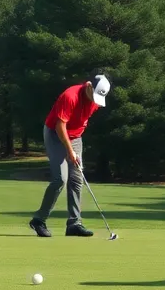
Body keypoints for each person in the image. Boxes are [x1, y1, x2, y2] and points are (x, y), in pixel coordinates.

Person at [29, 74, 111, 237]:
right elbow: (60, 125)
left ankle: (74, 224)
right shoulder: (70, 96)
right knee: (60, 178)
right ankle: (39, 219)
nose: (95, 101)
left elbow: (80, 124)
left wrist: (75, 148)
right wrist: (69, 150)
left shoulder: (95, 101)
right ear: (88, 86)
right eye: (93, 95)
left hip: (75, 137)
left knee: (76, 179)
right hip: (55, 133)